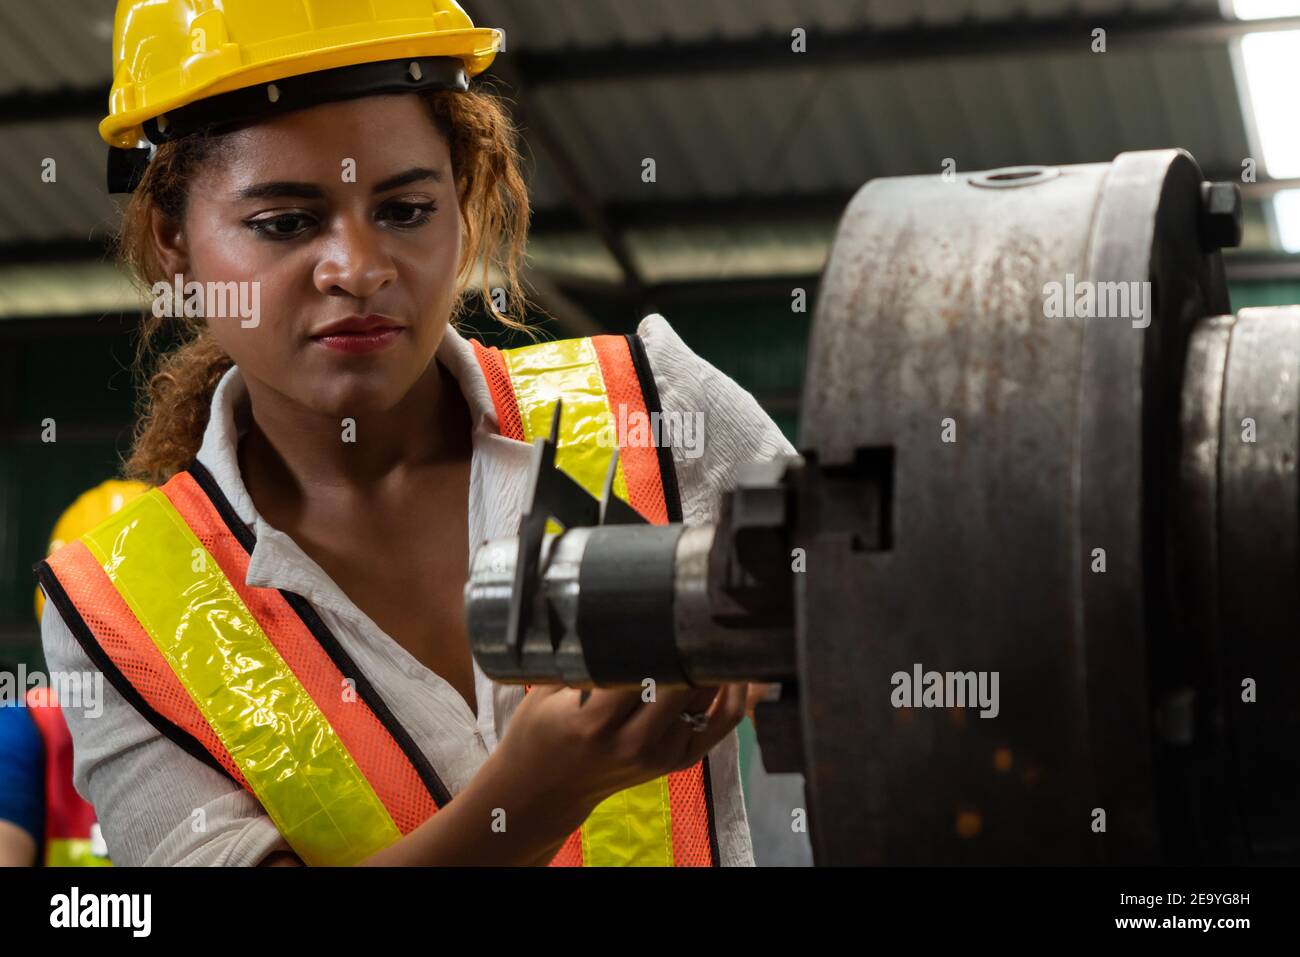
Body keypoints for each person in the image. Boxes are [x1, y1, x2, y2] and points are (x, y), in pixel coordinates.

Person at [37, 1, 796, 866]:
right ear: (175, 240)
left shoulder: (654, 411)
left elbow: (897, 625)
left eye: (404, 209)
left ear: (464, 202)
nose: (358, 269)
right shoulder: (117, 612)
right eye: (285, 223)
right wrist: (533, 799)